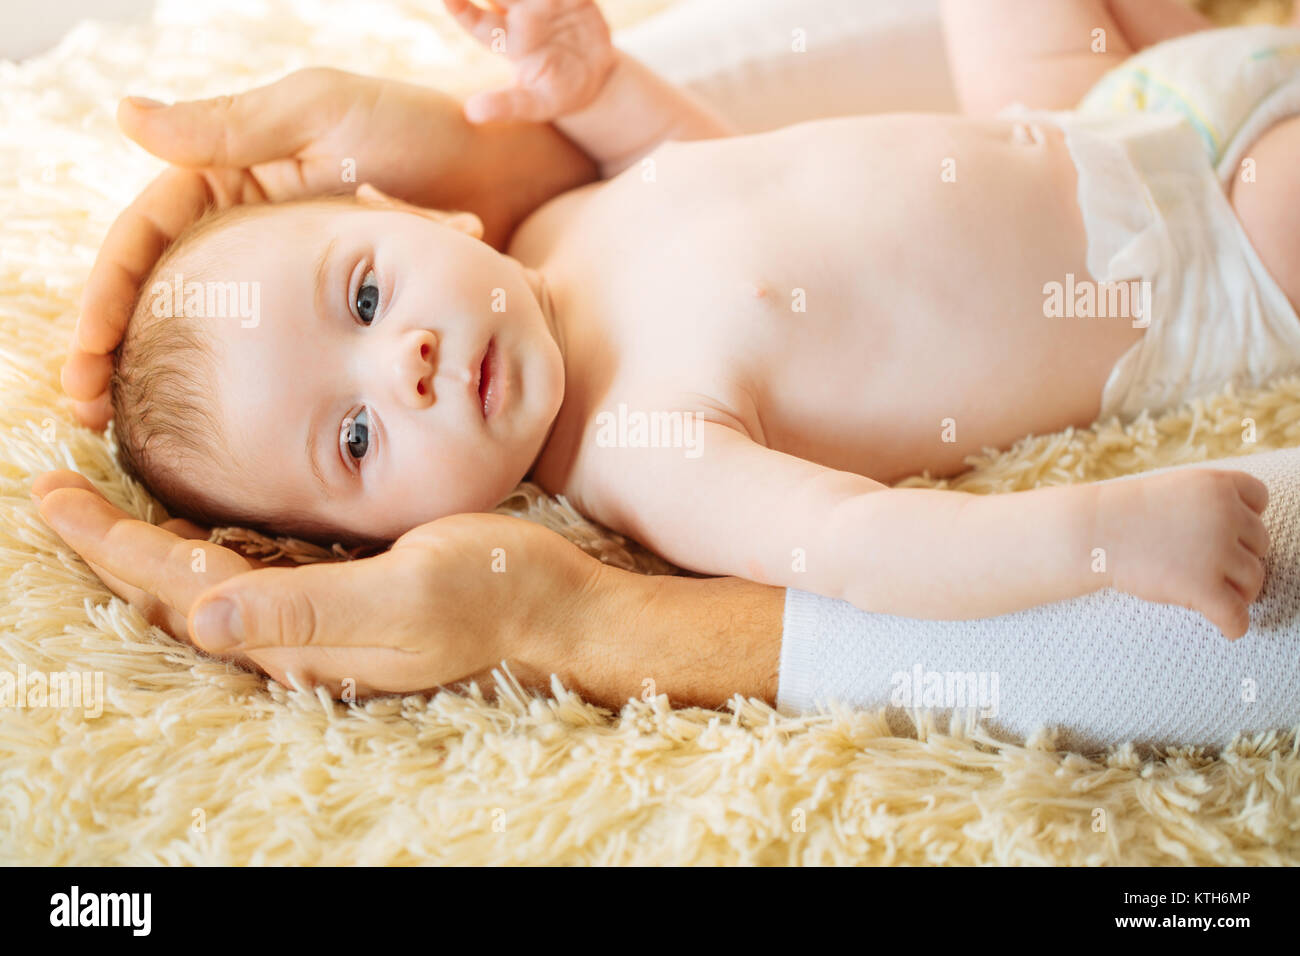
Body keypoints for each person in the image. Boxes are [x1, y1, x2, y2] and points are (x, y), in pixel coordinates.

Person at [35, 0, 1300, 749]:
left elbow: (722, 169)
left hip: (1089, 112)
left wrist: (598, 83)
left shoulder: (550, 220)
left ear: (431, 218)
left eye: (366, 296)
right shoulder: (643, 451)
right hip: (1204, 261)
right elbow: (866, 544)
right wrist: (1096, 533)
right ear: (403, 531)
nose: (404, 363)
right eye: (355, 440)